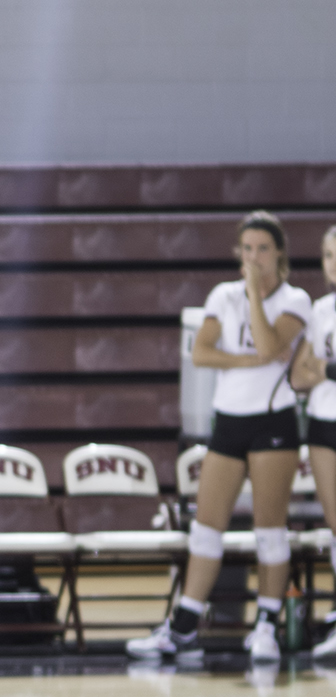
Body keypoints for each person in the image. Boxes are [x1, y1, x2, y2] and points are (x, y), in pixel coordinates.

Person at [134, 213, 309, 663]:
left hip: (274, 422)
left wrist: (254, 295)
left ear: (279, 253)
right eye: (246, 249)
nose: (253, 257)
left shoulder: (296, 299)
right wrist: (248, 361)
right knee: (206, 529)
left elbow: (271, 345)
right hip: (228, 421)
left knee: (270, 531)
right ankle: (185, 626)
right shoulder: (221, 295)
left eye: (263, 249)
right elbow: (201, 352)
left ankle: (266, 624)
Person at [291, 224, 336, 663]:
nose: (333, 263)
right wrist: (327, 371)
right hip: (325, 425)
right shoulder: (321, 311)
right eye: (328, 255)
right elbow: (299, 375)